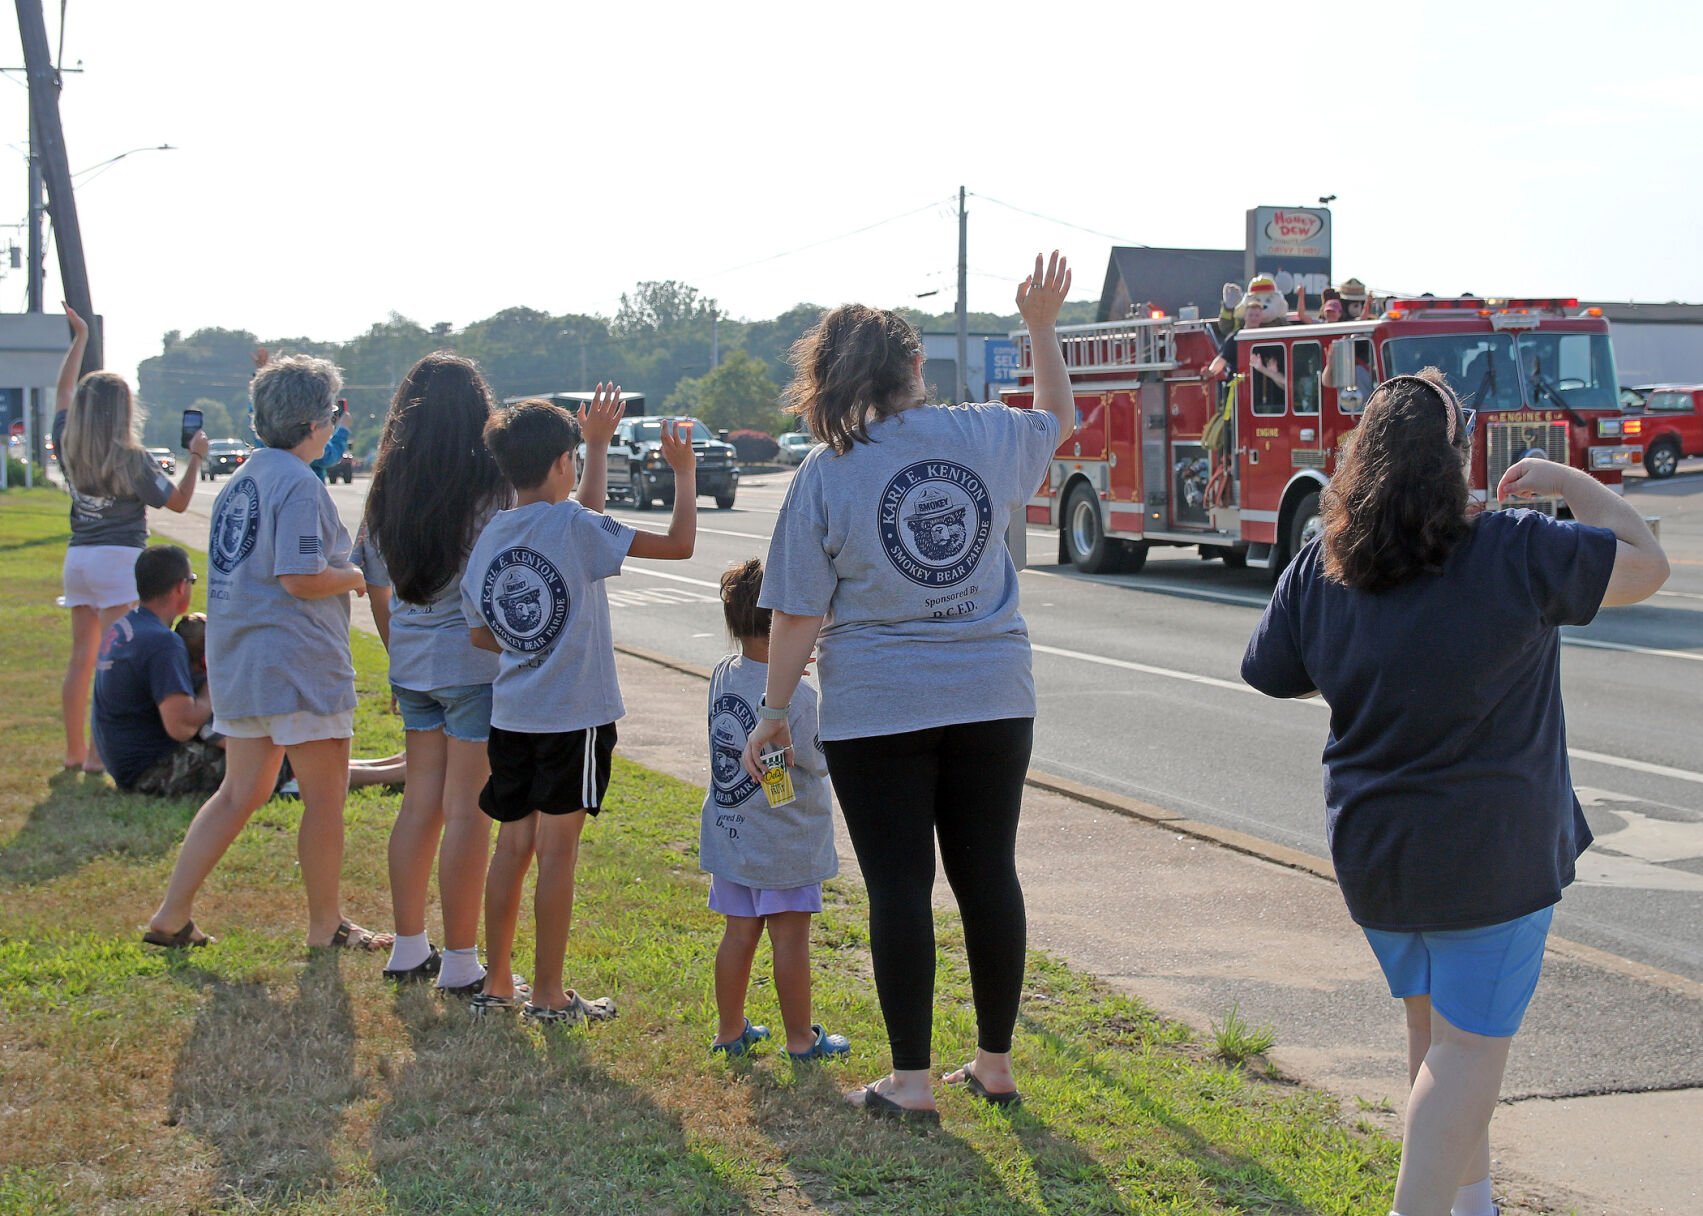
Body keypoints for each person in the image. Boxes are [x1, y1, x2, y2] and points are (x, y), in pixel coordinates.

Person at [1241, 369, 1668, 1216]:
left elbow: (1268, 671)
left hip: (1375, 856)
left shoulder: (1322, 561)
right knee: (1468, 1054)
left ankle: (1468, 1203)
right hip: (1490, 858)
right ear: (1457, 453)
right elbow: (1645, 565)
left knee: (1434, 1041)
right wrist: (1569, 480)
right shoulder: (1513, 545)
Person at [741, 252, 1077, 1121]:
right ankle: (995, 1064)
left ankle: (912, 1081)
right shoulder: (978, 433)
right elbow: (1057, 418)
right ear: (913, 367)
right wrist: (1040, 325)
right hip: (994, 692)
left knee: (899, 886)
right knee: (987, 875)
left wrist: (773, 712)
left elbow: (796, 613)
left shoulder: (827, 470)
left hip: (877, 705)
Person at [460, 398, 697, 1022]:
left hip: (512, 714)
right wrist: (684, 472)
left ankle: (498, 983)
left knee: (512, 847)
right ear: (563, 462)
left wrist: (592, 443)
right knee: (558, 852)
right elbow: (679, 544)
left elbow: (482, 633)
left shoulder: (491, 537)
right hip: (575, 719)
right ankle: (550, 994)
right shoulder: (576, 529)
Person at [144, 355, 391, 952]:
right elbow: (302, 577)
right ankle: (325, 926)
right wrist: (356, 576)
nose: (335, 425)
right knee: (325, 799)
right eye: (333, 413)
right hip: (298, 661)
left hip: (242, 659)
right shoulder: (299, 484)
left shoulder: (241, 480)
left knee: (240, 791)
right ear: (314, 423)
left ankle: (171, 915)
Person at [701, 558, 847, 1061]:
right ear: (782, 620)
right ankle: (800, 1038)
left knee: (737, 932)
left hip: (734, 832)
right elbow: (819, 760)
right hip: (783, 839)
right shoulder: (797, 701)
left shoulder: (724, 673)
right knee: (790, 939)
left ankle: (728, 1030)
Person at [54, 303, 209, 772]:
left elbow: (63, 391)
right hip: (120, 561)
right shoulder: (132, 458)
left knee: (82, 657)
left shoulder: (68, 441)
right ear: (124, 411)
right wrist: (196, 457)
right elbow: (178, 502)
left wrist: (78, 340)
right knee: (115, 659)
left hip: (78, 558)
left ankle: (74, 752)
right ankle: (102, 755)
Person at [91, 545, 219, 796]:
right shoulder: (162, 642)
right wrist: (215, 682)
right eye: (191, 580)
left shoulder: (127, 625)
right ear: (181, 587)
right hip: (151, 772)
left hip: (125, 765)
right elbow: (181, 726)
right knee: (260, 763)